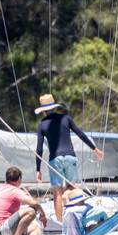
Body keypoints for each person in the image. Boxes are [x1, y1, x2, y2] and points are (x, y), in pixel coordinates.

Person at [35, 94, 104, 223]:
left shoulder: (42, 124)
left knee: (57, 193)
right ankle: (75, 218)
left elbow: (39, 149)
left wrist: (38, 169)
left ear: (43, 111)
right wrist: (95, 149)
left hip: (55, 159)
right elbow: (80, 134)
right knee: (72, 188)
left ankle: (61, 223)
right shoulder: (66, 118)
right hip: (70, 156)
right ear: (54, 107)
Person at [0, 166, 42, 235]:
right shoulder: (14, 190)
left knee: (35, 226)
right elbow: (35, 203)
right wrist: (44, 215)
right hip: (2, 231)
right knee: (31, 211)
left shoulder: (2, 189)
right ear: (19, 179)